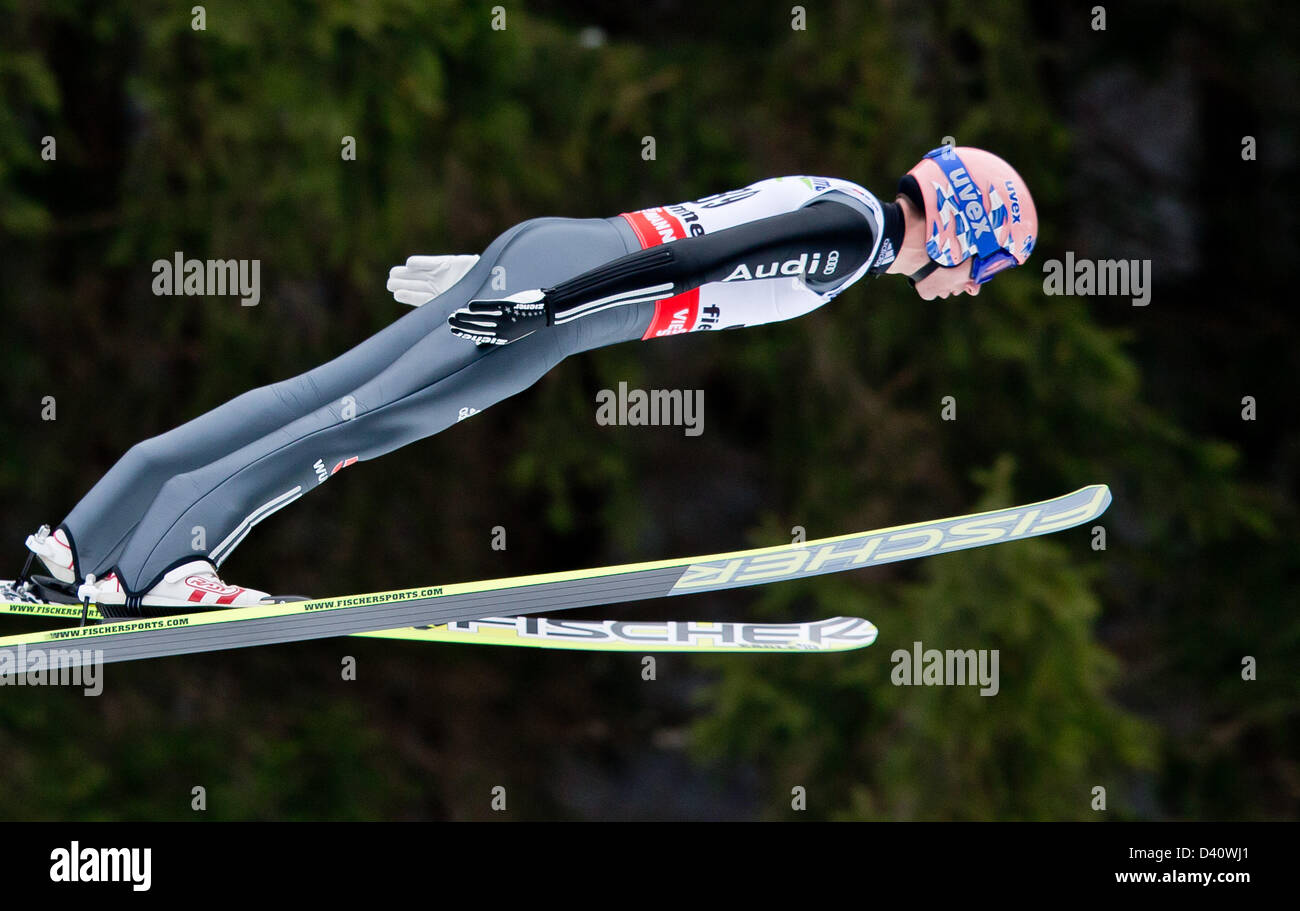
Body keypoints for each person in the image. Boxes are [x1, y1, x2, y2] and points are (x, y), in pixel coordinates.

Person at [22, 146, 1037, 612]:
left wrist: (509, 277)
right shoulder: (849, 236)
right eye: (984, 267)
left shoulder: (845, 210)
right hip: (565, 296)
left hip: (556, 273)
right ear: (958, 228)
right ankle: (153, 569)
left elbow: (683, 236)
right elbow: (682, 264)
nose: (972, 289)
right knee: (351, 421)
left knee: (317, 397)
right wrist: (538, 304)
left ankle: (82, 542)